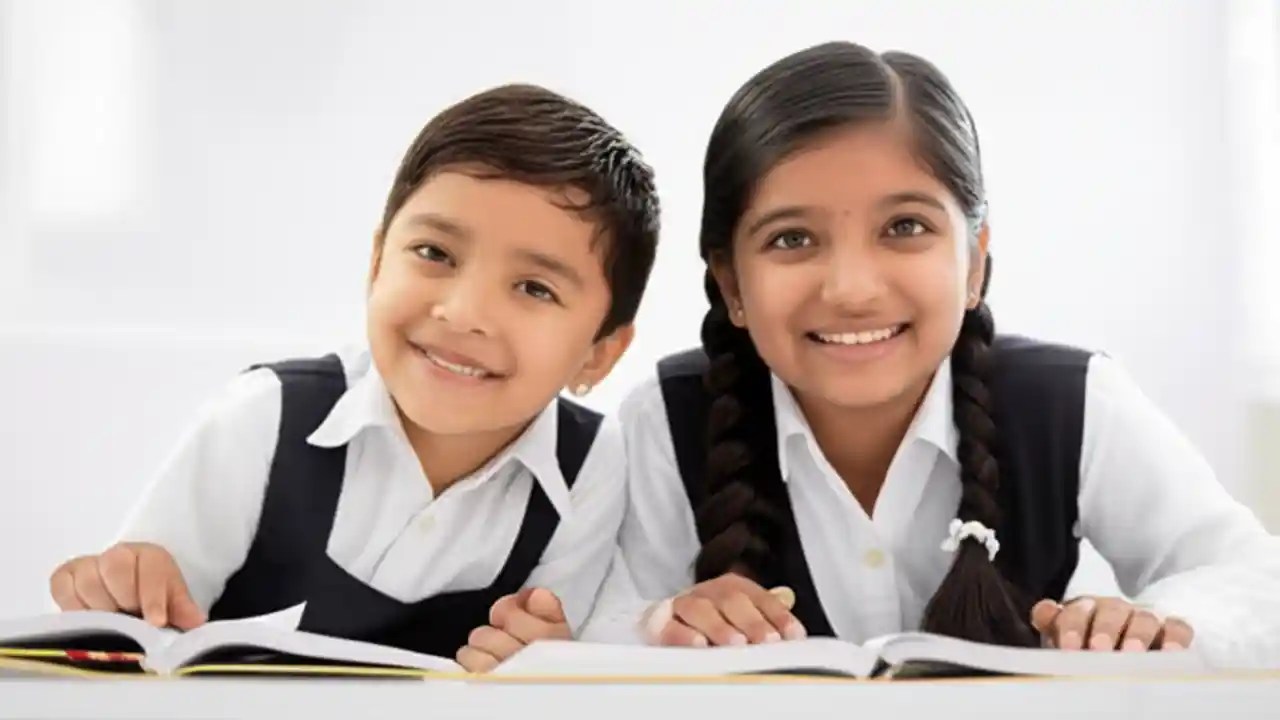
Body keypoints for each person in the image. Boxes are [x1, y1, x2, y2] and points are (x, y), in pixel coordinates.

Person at [587, 41, 1280, 666]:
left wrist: (1156, 624)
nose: (852, 289)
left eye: (905, 227)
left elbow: (1252, 580)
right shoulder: (668, 418)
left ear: (974, 263)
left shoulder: (1071, 400)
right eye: (792, 239)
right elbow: (593, 623)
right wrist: (657, 624)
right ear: (732, 284)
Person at [49, 83, 661, 672]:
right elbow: (131, 624)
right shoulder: (266, 418)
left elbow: (546, 658)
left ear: (599, 354)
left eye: (534, 288)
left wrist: (546, 654)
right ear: (376, 263)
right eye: (434, 253)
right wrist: (120, 590)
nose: (463, 312)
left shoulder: (592, 468)